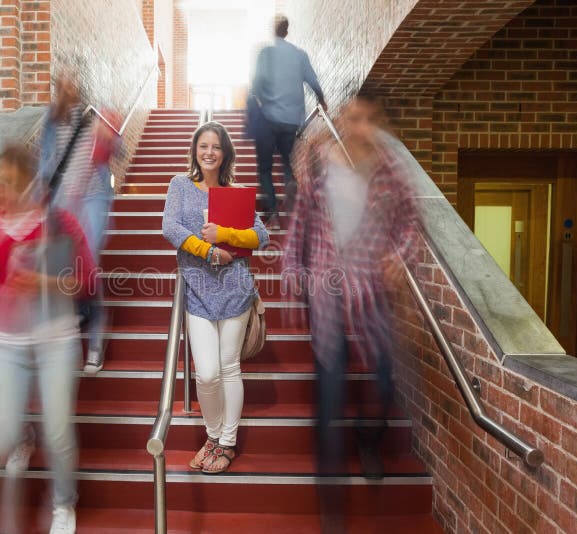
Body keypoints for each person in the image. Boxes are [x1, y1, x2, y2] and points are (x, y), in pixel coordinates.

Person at [282, 95, 421, 532]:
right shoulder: (320, 163)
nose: (359, 126)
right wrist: (292, 267)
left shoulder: (390, 170)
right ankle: (332, 509)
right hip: (326, 290)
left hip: (370, 292)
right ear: (342, 117)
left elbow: (411, 222)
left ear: (377, 124)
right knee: (329, 396)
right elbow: (302, 220)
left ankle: (369, 436)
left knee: (383, 381)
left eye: (368, 120)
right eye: (353, 117)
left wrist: (400, 255)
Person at [0, 144, 97, 534]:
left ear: (32, 181)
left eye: (14, 182)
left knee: (58, 430)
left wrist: (43, 283)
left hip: (55, 342)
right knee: (3, 435)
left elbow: (88, 281)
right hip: (8, 345)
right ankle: (21, 435)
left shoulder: (57, 224)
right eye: (1, 183)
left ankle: (63, 503)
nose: (7, 191)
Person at [162, 122, 269, 474]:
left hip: (235, 290)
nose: (209, 152)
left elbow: (261, 235)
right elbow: (171, 227)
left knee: (228, 368)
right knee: (206, 374)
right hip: (198, 290)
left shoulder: (234, 193)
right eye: (203, 145)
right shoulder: (180, 185)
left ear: (225, 154)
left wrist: (226, 234)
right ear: (195, 149)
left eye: (216, 147)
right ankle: (212, 435)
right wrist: (209, 250)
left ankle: (226, 442)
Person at [36, 71, 121, 376]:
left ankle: (96, 342)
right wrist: (40, 205)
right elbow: (45, 163)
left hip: (93, 199)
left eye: (73, 82)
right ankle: (77, 319)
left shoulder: (96, 113)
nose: (68, 87)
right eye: (63, 83)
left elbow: (118, 151)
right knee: (65, 268)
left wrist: (110, 136)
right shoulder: (52, 118)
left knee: (89, 262)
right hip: (62, 202)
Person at [250, 14, 327, 229]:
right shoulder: (299, 55)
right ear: (287, 31)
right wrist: (322, 100)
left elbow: (256, 83)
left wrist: (260, 99)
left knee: (265, 167)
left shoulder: (265, 53)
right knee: (286, 162)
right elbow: (313, 81)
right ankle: (292, 197)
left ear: (274, 31)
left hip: (268, 120)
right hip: (291, 120)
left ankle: (273, 216)